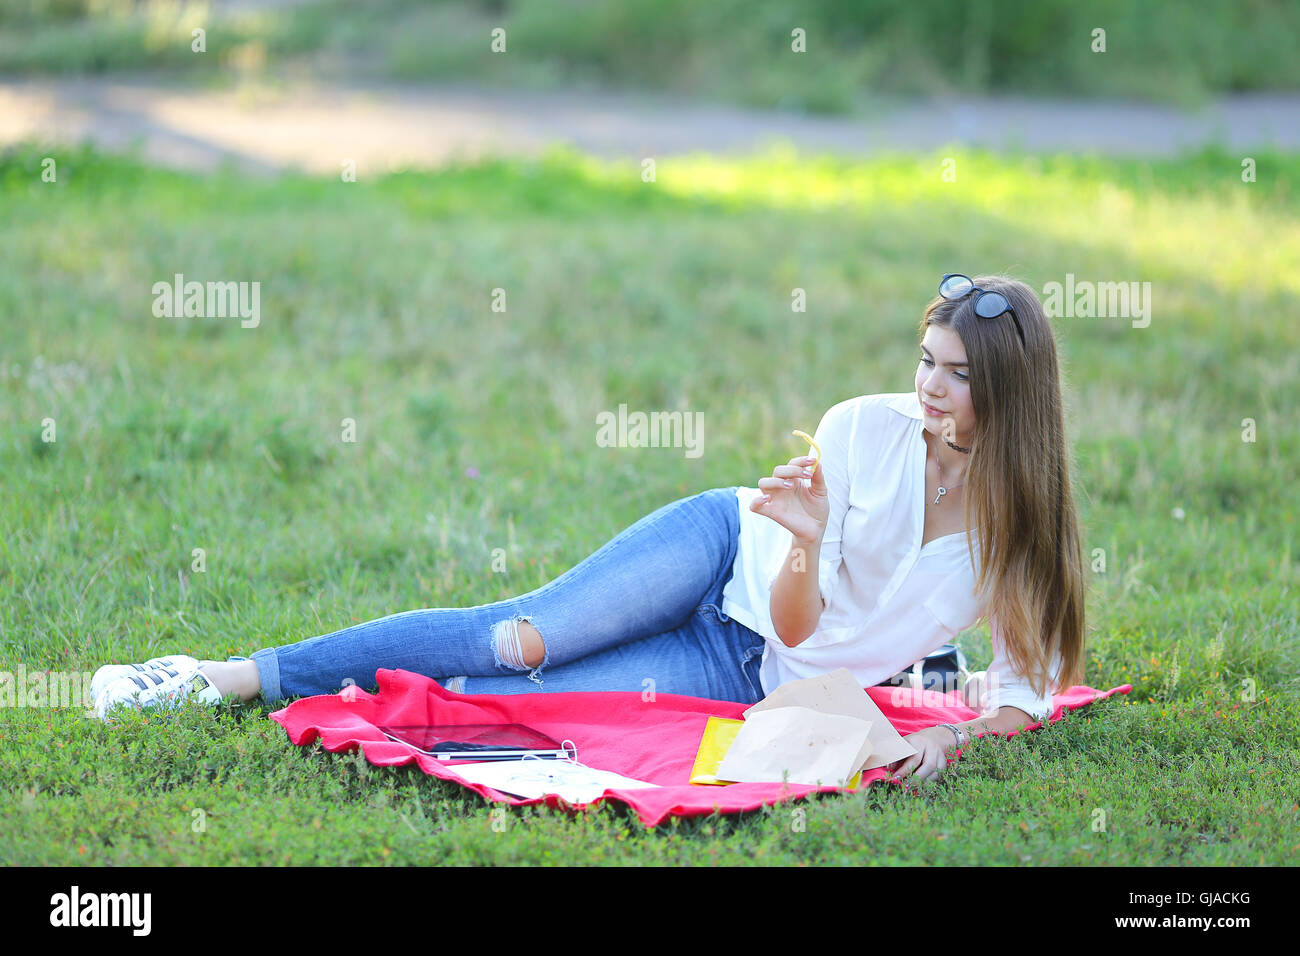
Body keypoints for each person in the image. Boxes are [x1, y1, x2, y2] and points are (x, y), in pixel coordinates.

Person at [93, 273, 1086, 786]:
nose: (927, 386)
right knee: (518, 637)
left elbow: (1021, 693)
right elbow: (795, 610)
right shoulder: (863, 427)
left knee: (510, 700)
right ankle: (216, 675)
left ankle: (337, 701)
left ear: (1009, 390)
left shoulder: (1021, 533)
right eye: (924, 359)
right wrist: (805, 533)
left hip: (752, 671)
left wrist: (948, 747)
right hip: (724, 546)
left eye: (956, 374)